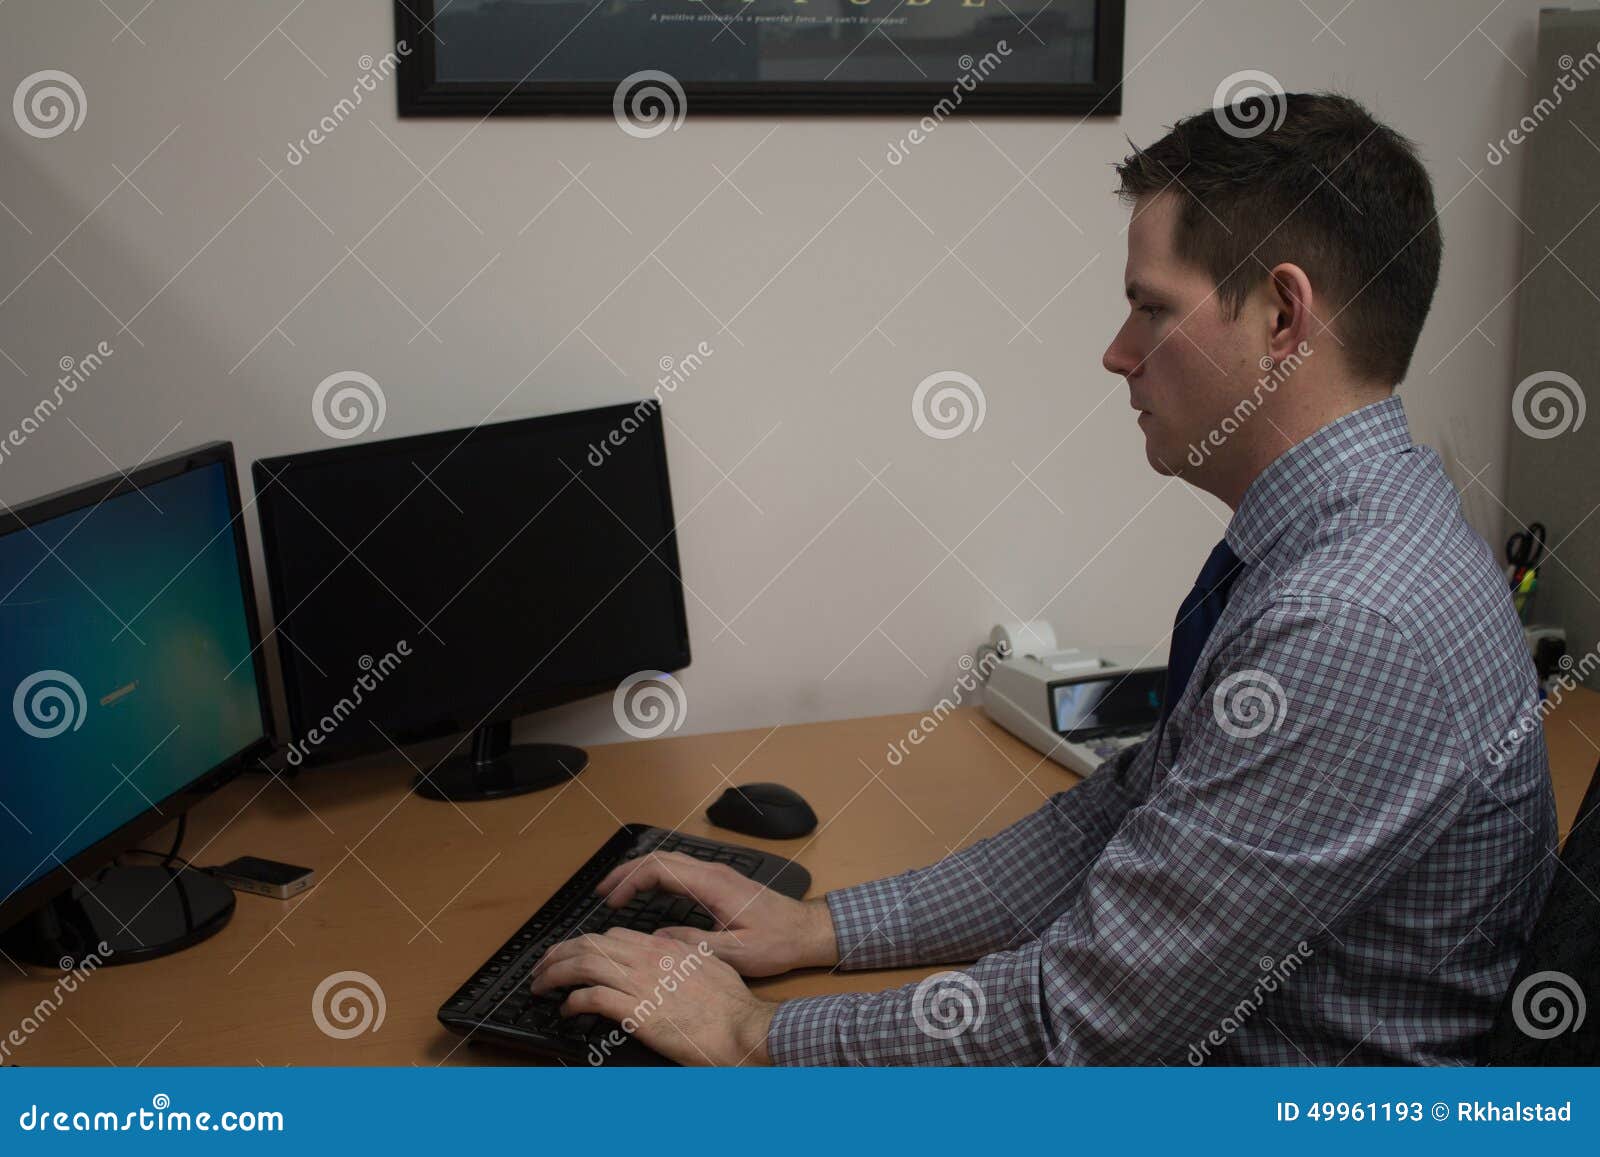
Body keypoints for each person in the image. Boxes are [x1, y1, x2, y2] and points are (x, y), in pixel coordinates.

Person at [530, 92, 1558, 1065]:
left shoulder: (1350, 619)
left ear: (1283, 319)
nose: (1116, 353)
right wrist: (820, 924)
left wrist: (757, 1038)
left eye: (1150, 308)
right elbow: (1116, 818)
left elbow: (1086, 1023)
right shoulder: (1343, 536)